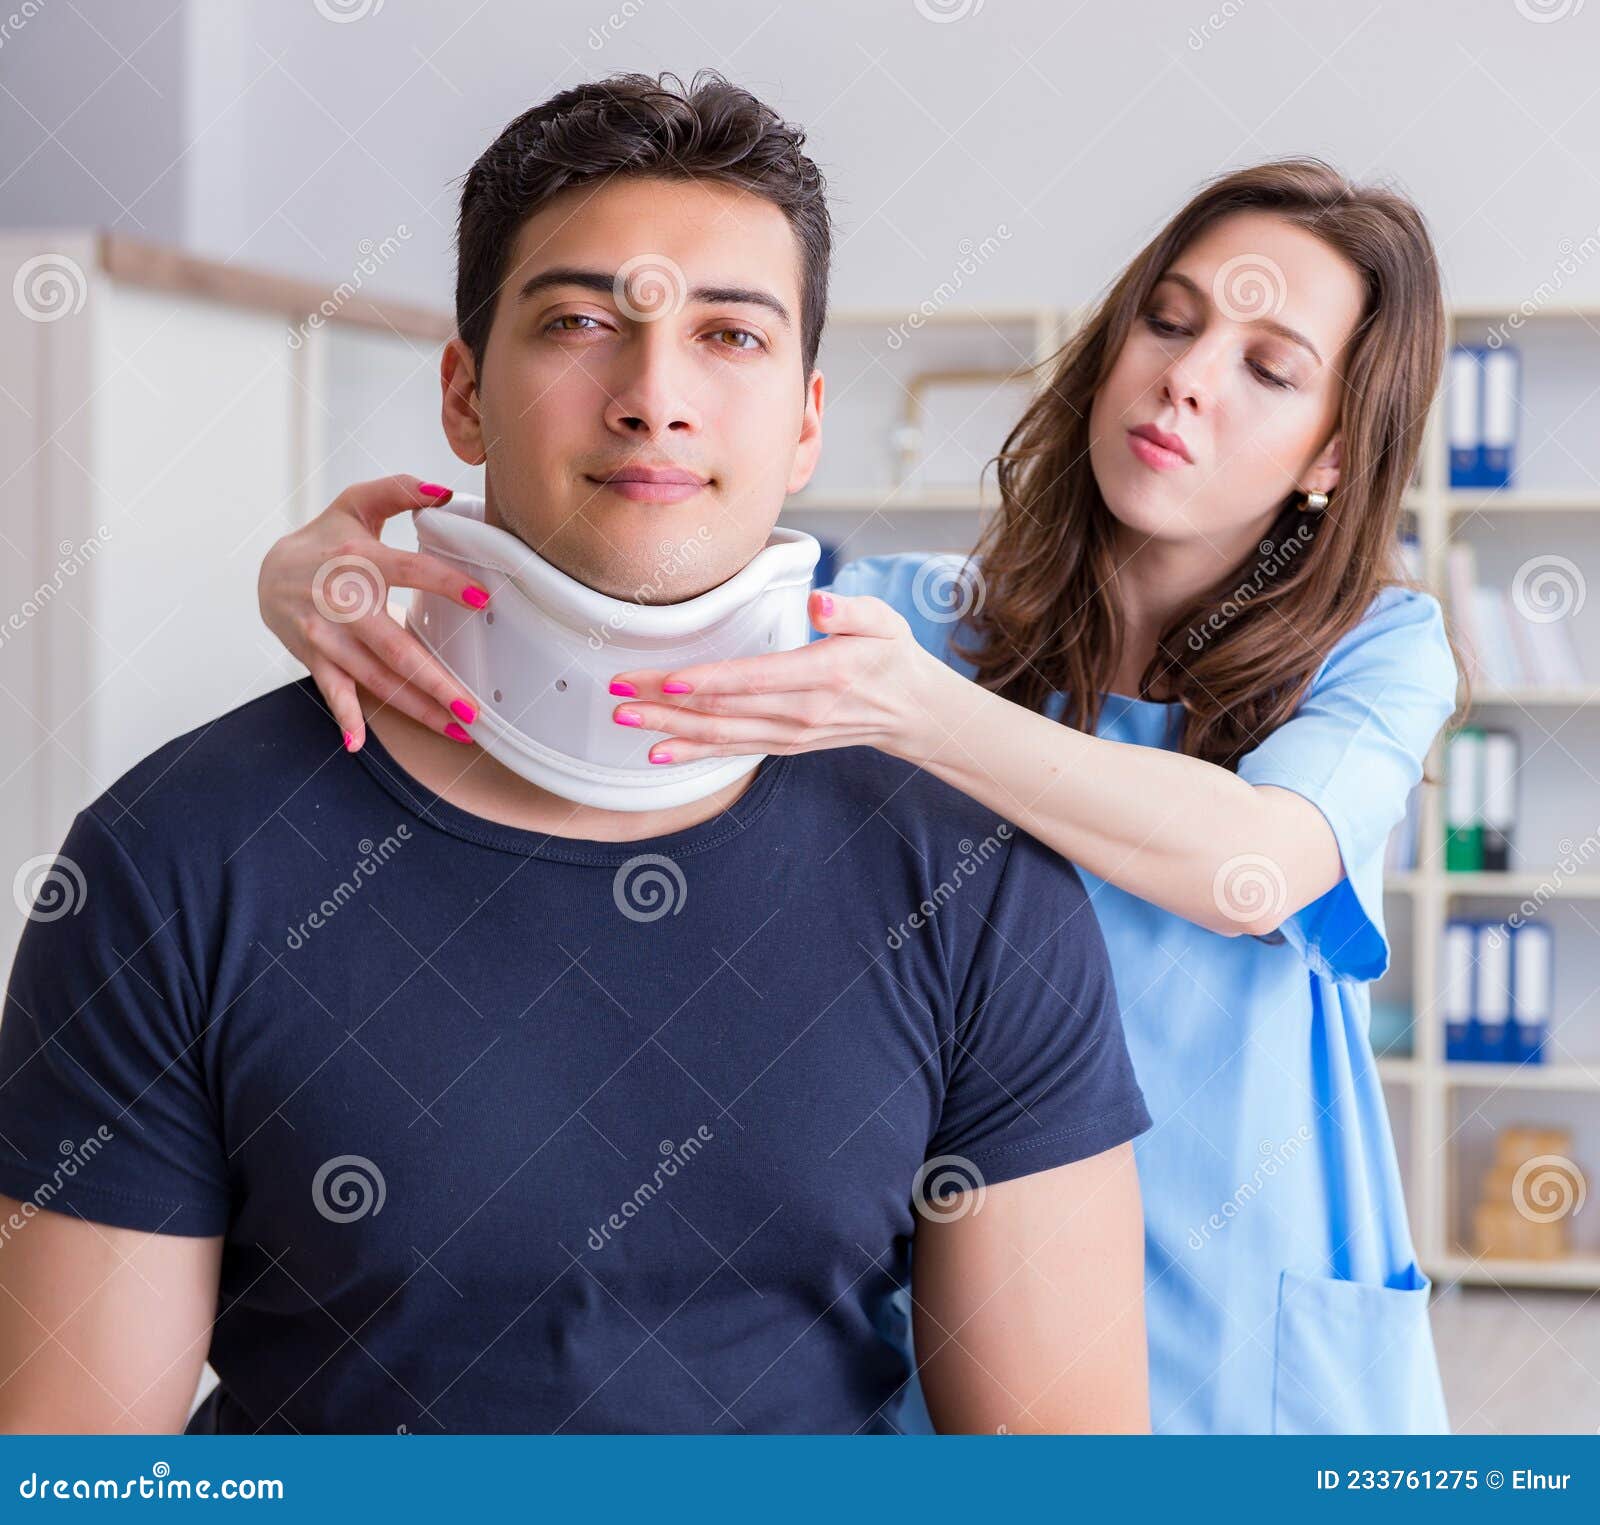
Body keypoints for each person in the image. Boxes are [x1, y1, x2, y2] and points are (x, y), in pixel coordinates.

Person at [0, 72, 1152, 1437]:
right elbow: (72, 1470)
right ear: (464, 395)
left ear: (805, 423)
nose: (653, 395)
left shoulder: (974, 884)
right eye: (579, 321)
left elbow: (1060, 1476)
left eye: (730, 335)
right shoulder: (175, 857)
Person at [261, 139, 1464, 1433]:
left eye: (1268, 368)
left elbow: (1256, 866)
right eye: (1166, 322)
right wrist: (316, 577)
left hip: (1239, 1312)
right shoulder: (917, 616)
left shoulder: (1378, 648)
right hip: (973, 1288)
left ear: (1332, 455)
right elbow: (624, 622)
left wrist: (924, 711)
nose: (1186, 377)